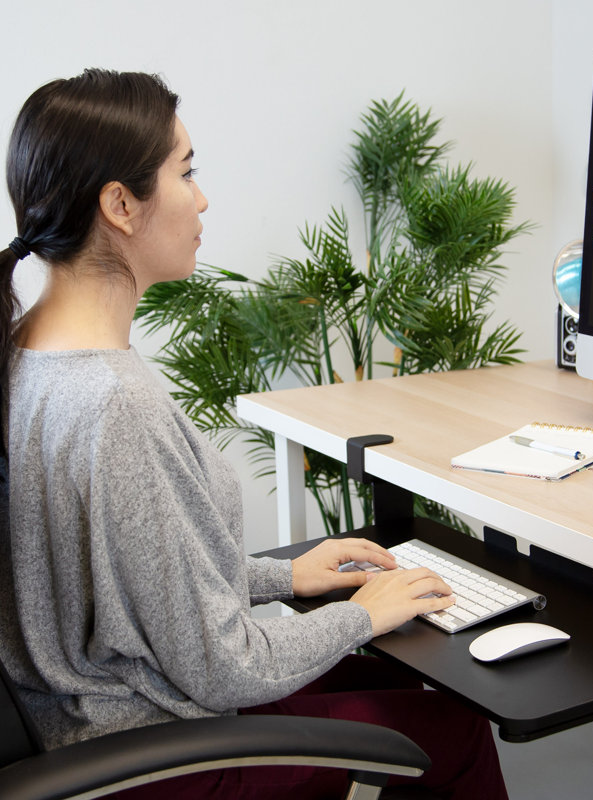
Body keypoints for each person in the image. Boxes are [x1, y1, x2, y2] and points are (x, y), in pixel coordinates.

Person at [0, 69, 508, 799]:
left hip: (104, 716)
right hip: (165, 753)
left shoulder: (28, 355)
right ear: (119, 204)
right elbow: (222, 664)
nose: (202, 198)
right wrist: (359, 614)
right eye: (186, 172)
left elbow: (122, 582)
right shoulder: (114, 404)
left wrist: (283, 575)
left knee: (404, 681)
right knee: (454, 731)